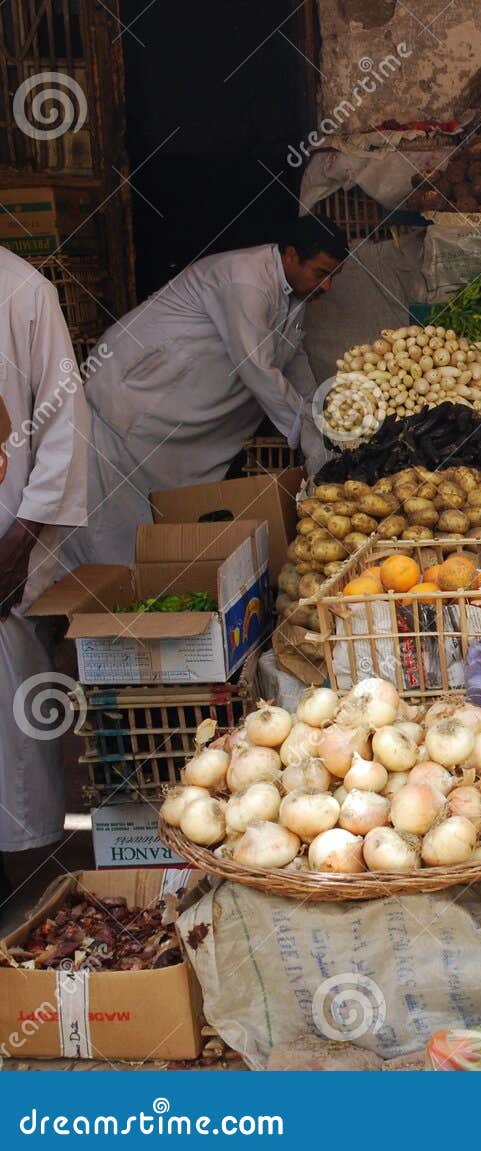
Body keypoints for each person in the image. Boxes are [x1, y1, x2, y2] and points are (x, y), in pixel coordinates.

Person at [63, 215, 347, 567]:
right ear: (291, 255)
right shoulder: (246, 278)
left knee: (160, 516)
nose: (328, 287)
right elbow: (256, 367)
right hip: (136, 399)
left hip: (175, 422)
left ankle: (145, 595)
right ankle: (94, 605)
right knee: (111, 522)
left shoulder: (294, 296)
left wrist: (319, 412)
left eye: (334, 276)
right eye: (322, 273)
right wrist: (307, 432)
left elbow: (291, 356)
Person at [0, 248, 90, 879]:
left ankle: (21, 885)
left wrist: (20, 539)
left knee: (10, 731)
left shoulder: (21, 291)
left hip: (2, 542)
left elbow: (64, 423)